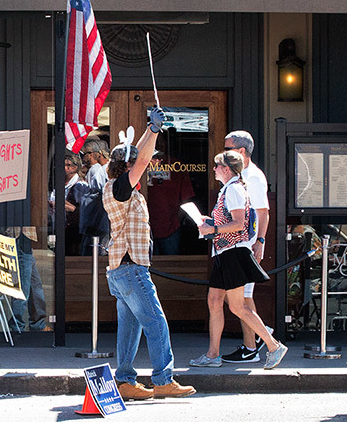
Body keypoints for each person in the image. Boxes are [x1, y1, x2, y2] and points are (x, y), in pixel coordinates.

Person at [102, 111, 195, 401]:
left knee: (130, 329)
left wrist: (148, 130)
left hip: (120, 269)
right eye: (137, 164)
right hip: (131, 268)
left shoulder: (117, 188)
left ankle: (125, 381)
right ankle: (163, 379)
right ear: (126, 167)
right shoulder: (121, 188)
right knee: (156, 322)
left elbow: (139, 157)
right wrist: (154, 129)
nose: (147, 164)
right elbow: (142, 159)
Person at [193, 150, 287, 369]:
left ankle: (273, 345)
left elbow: (239, 223)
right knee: (215, 300)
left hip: (233, 253)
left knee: (237, 306)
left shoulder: (234, 189)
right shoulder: (230, 188)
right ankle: (213, 354)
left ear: (226, 169)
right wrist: (210, 223)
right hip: (226, 252)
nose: (214, 169)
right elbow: (233, 220)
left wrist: (213, 228)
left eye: (217, 166)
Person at [218, 130, 271, 363]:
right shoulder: (239, 175)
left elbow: (263, 213)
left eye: (228, 148)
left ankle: (253, 345)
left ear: (241, 151)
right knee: (236, 297)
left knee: (241, 298)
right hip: (234, 244)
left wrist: (260, 241)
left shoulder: (254, 177)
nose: (224, 152)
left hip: (245, 244)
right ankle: (260, 334)